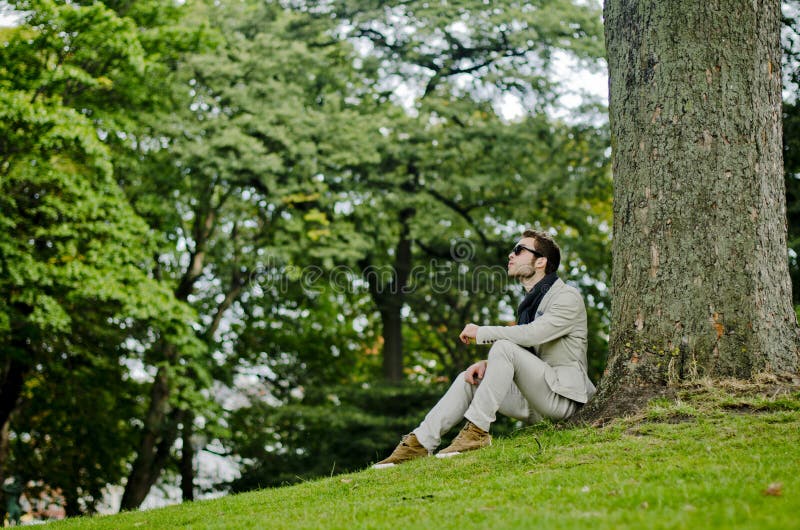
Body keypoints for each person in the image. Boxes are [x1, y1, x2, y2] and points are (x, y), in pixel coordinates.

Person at [373, 229, 596, 468]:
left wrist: (482, 332)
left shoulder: (567, 297)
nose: (511, 255)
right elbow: (528, 352)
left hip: (564, 399)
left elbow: (535, 333)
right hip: (535, 399)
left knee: (503, 347)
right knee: (470, 378)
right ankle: (419, 444)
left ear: (541, 261)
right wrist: (491, 365)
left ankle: (477, 433)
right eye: (513, 250)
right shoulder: (530, 303)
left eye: (519, 250)